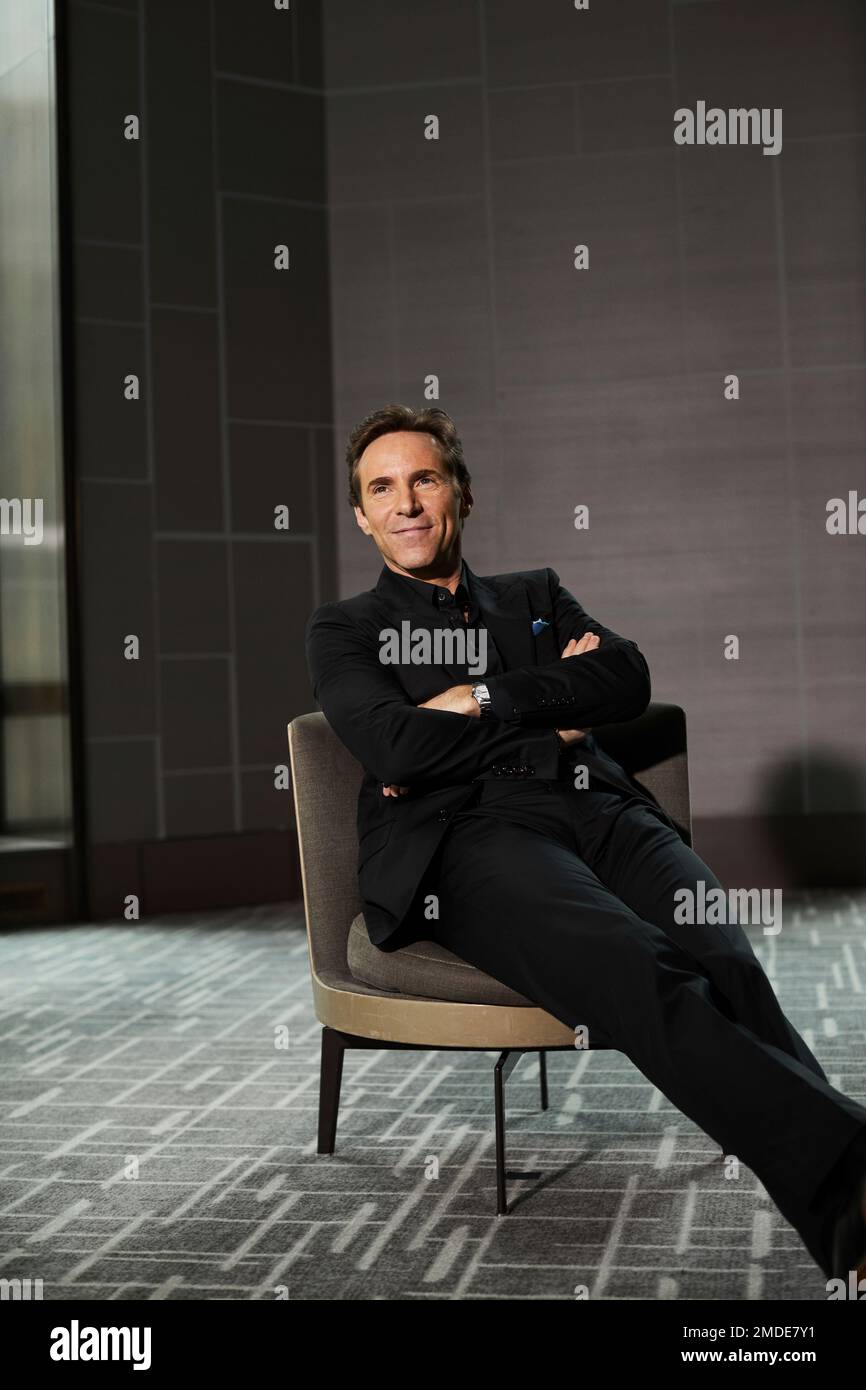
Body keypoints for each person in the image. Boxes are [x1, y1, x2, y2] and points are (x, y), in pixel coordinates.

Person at [305, 403, 866, 1287]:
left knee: (723, 950)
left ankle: (849, 1217)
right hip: (469, 842)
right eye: (382, 488)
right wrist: (547, 711)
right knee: (637, 964)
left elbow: (626, 678)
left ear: (461, 492)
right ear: (362, 515)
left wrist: (479, 701)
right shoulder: (344, 629)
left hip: (598, 810)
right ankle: (856, 1194)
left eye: (424, 478)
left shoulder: (533, 594)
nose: (406, 502)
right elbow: (393, 747)